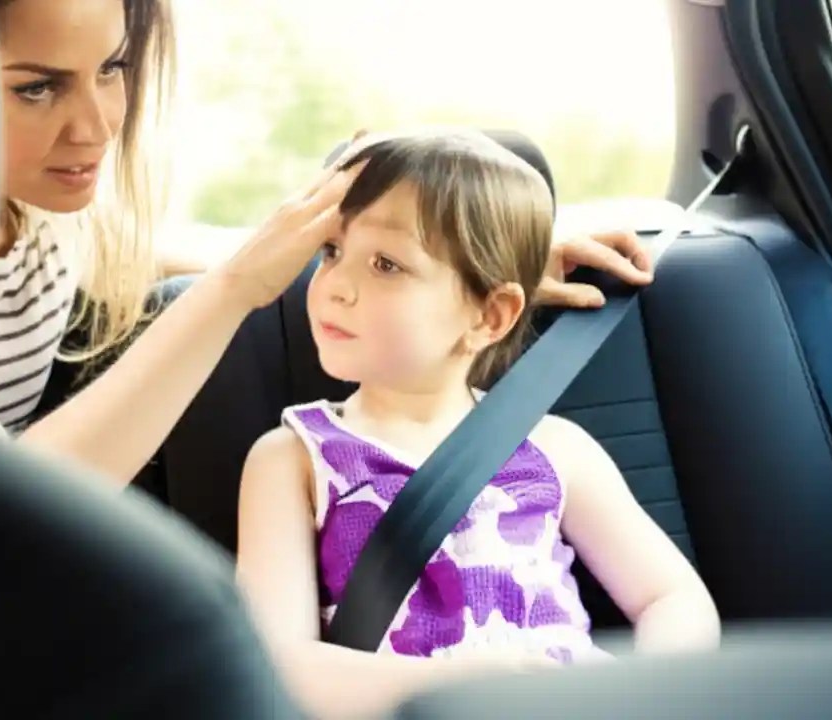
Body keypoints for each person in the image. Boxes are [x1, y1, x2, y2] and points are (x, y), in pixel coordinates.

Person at [0, 0, 655, 488]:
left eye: (112, 68)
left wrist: (478, 264)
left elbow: (165, 250)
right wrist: (239, 287)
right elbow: (7, 499)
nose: (96, 126)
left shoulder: (34, 216)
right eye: (37, 88)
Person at [234, 131, 720, 720]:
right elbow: (275, 664)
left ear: (489, 316)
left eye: (386, 264)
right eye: (332, 251)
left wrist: (638, 692)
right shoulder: (294, 458)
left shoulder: (553, 449)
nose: (335, 285)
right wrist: (463, 685)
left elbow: (671, 595)